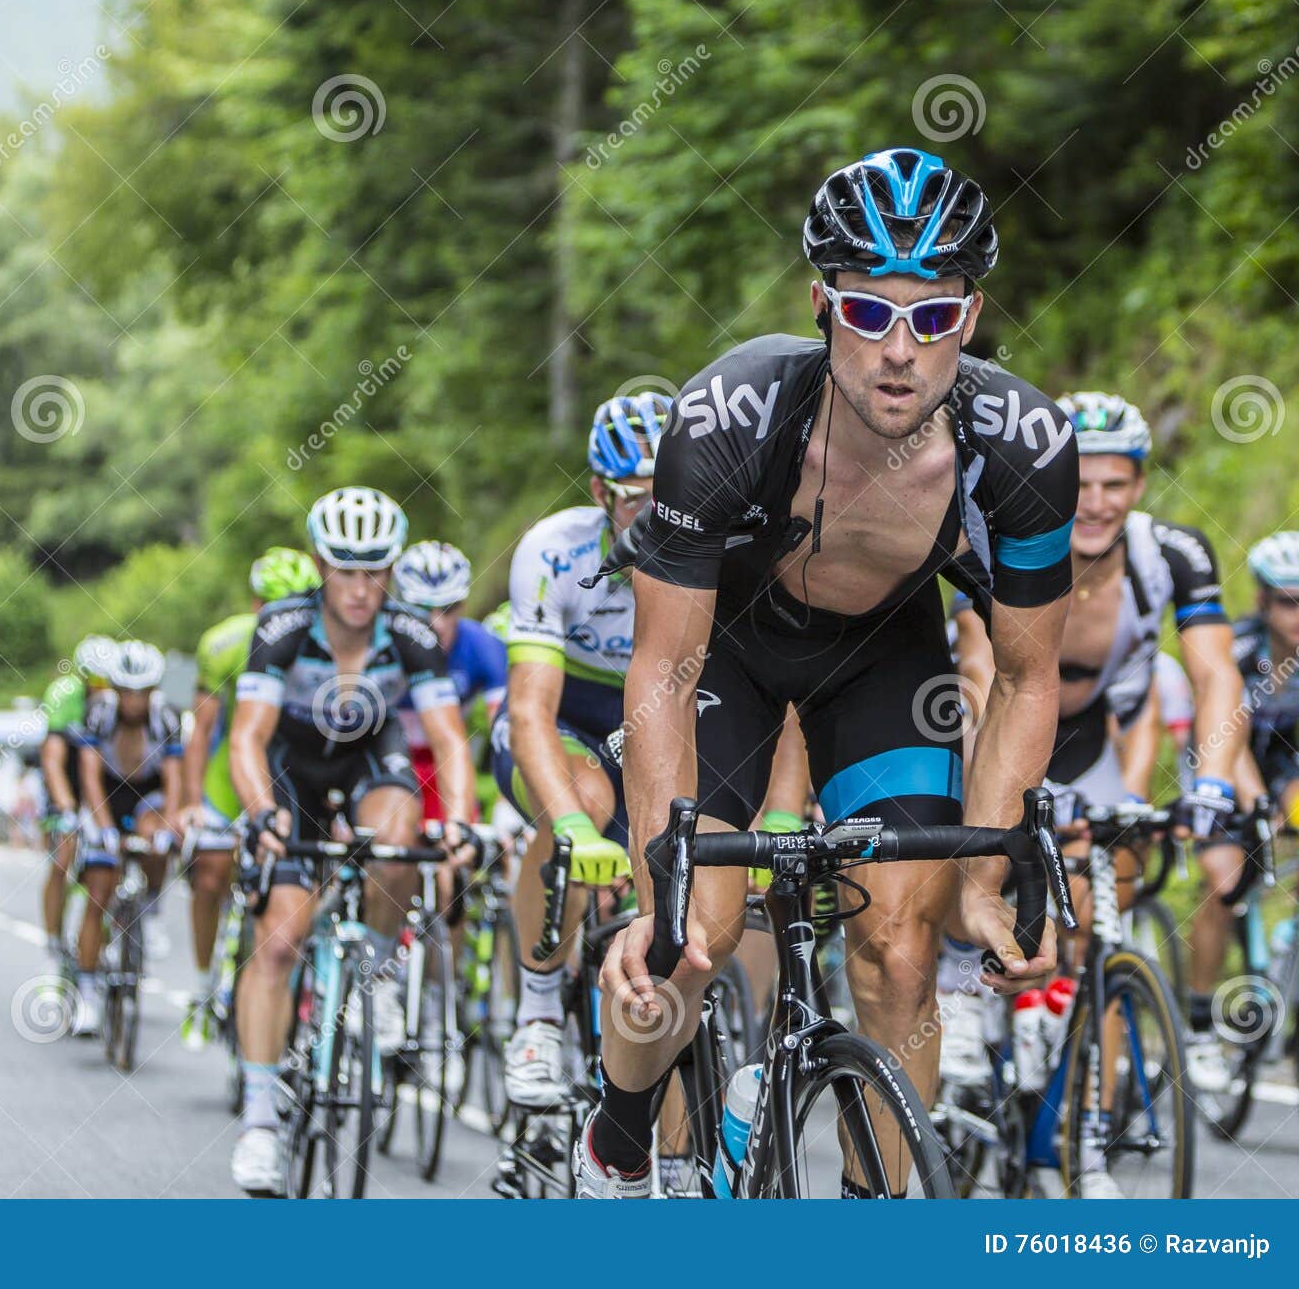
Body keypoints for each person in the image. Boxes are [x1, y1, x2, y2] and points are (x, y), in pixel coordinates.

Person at [579, 147, 1073, 1198]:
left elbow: (1027, 677)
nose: (899, 350)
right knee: (692, 937)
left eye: (931, 317)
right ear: (820, 303)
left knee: (899, 950)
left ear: (971, 318)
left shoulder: (1022, 447)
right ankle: (618, 1146)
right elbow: (664, 660)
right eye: (867, 312)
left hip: (882, 659)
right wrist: (652, 875)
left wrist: (984, 882)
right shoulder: (728, 416)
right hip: (728, 655)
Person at [955, 392, 1248, 1109]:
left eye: (1115, 484)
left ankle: (1081, 1103)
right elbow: (979, 674)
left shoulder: (1170, 553)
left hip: (1086, 742)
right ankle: (960, 987)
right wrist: (1002, 797)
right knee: (972, 848)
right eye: (1079, 481)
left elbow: (1215, 673)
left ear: (1140, 486)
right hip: (985, 722)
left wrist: (1211, 782)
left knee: (1096, 904)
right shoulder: (1000, 533)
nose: (1095, 502)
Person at [226, 487, 477, 1195]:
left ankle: (378, 967)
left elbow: (451, 740)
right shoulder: (280, 627)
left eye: (376, 571)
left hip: (371, 758)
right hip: (291, 772)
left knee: (401, 834)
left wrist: (457, 817)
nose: (362, 589)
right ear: (319, 567)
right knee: (277, 944)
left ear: (392, 571)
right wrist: (259, 811)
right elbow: (246, 735)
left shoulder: (412, 634)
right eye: (346, 570)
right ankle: (259, 1122)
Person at [494, 392, 668, 1110]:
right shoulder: (555, 550)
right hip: (564, 721)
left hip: (652, 722)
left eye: (674, 493)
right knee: (586, 798)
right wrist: (569, 825)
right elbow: (531, 708)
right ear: (600, 493)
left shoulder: (717, 547)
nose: (657, 516)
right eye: (635, 501)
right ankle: (536, 1013)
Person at [178, 547, 320, 1048]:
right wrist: (192, 800)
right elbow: (203, 731)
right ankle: (201, 985)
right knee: (211, 869)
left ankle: (305, 992)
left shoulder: (327, 642)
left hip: (291, 773)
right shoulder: (224, 643)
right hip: (229, 773)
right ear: (256, 603)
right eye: (270, 604)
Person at [70, 641, 183, 1036]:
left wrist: (170, 825)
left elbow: (173, 781)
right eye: (126, 692)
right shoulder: (99, 713)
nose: (134, 701)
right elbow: (88, 775)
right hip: (108, 792)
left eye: (142, 692)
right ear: (115, 690)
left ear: (154, 691)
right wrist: (102, 828)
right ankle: (86, 994)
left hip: (147, 793)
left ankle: (150, 909)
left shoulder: (166, 716)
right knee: (98, 892)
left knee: (155, 837)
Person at [392, 540, 507, 823]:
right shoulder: (379, 643)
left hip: (449, 762)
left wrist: (512, 801)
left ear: (463, 604)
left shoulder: (483, 645)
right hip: (390, 762)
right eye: (421, 608)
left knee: (458, 849)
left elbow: (507, 733)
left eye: (448, 608)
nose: (436, 623)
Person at [37, 635, 116, 971]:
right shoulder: (64, 694)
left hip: (99, 779)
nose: (102, 688)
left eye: (107, 680)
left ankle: (107, 931)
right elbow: (53, 760)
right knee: (63, 856)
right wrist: (68, 809)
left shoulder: (117, 700)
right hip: (66, 782)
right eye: (96, 681)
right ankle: (53, 937)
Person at [1234, 533, 1299, 824]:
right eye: (1289, 602)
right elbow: (1224, 740)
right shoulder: (1236, 650)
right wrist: (1259, 808)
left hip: (1281, 758)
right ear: (1263, 601)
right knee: (1227, 865)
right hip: (1227, 756)